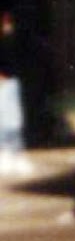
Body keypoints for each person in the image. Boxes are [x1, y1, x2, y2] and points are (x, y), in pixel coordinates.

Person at [0, 11, 31, 176]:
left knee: (13, 121)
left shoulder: (12, 40)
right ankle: (5, 154)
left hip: (11, 82)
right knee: (4, 121)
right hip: (4, 82)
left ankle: (16, 155)